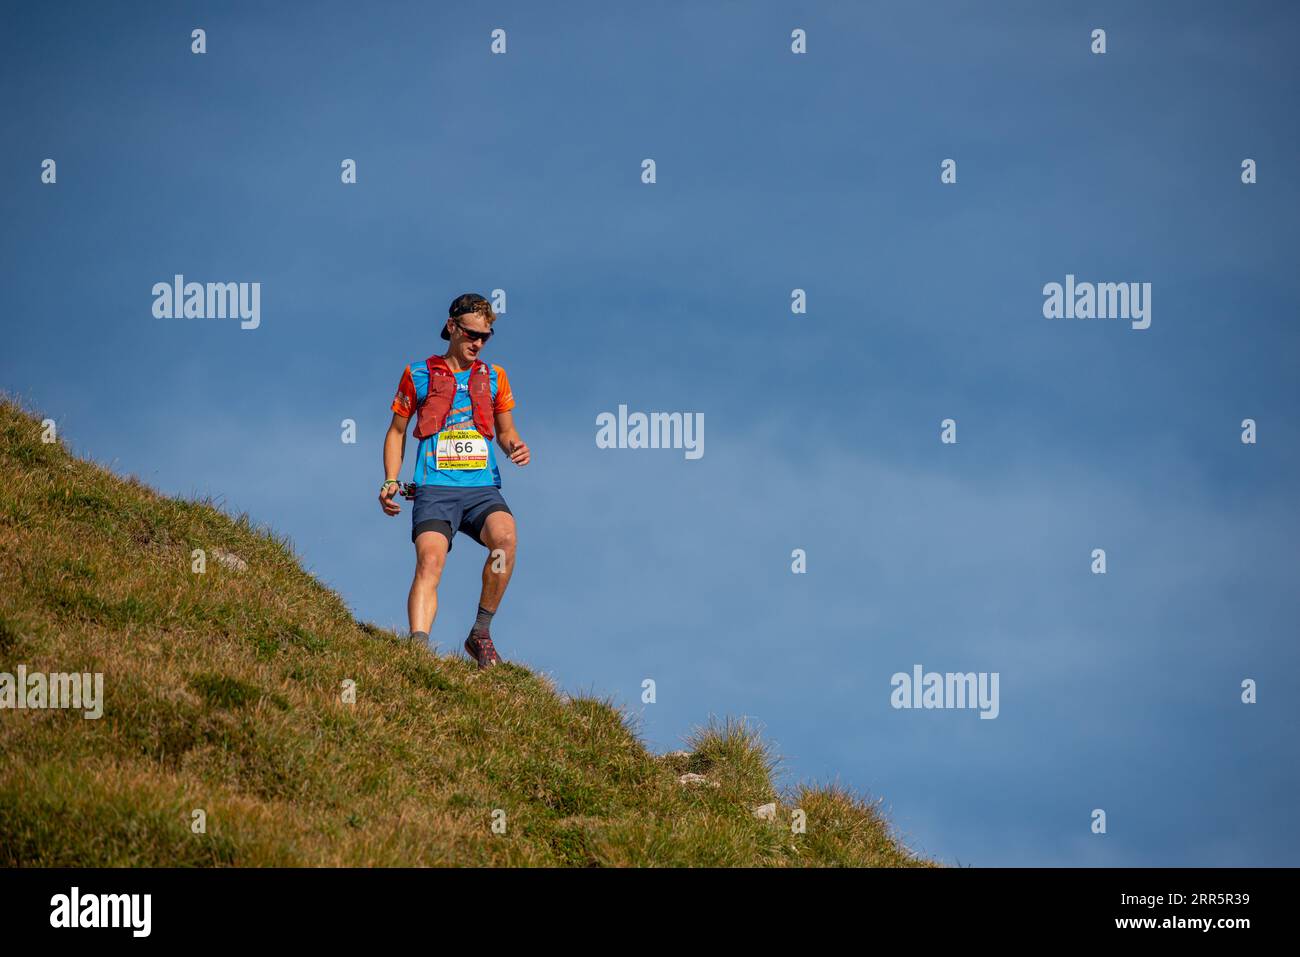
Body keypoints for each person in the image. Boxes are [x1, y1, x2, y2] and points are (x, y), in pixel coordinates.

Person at [379, 293, 529, 668]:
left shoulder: (495, 378)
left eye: (486, 337)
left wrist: (515, 448)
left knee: (505, 541)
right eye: (471, 335)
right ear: (451, 328)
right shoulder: (418, 374)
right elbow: (397, 431)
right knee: (430, 562)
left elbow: (507, 432)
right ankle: (418, 653)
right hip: (435, 487)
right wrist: (391, 479)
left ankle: (480, 633)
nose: (478, 343)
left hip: (480, 489)